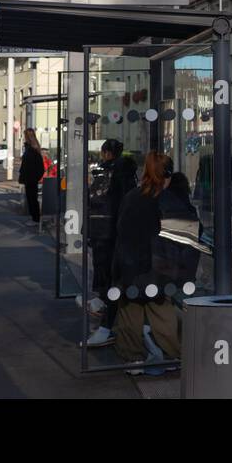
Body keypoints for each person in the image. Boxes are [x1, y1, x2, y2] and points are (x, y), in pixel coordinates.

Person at [111, 152, 184, 375]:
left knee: (129, 312)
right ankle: (172, 356)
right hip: (157, 267)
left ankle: (133, 360)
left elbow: (120, 230)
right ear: (168, 174)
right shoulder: (168, 200)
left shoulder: (132, 196)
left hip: (131, 266)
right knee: (163, 313)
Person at [85, 139, 139, 348]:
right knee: (112, 273)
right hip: (116, 230)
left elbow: (97, 202)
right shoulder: (127, 174)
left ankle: (107, 316)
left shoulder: (107, 173)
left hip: (105, 230)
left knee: (108, 273)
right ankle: (105, 306)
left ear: (107, 153)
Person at [18, 129, 46, 226]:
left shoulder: (32, 149)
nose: (24, 137)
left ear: (28, 137)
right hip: (29, 178)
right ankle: (34, 218)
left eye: (25, 135)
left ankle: (35, 219)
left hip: (31, 179)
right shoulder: (31, 148)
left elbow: (40, 168)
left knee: (32, 198)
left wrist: (34, 177)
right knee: (31, 198)